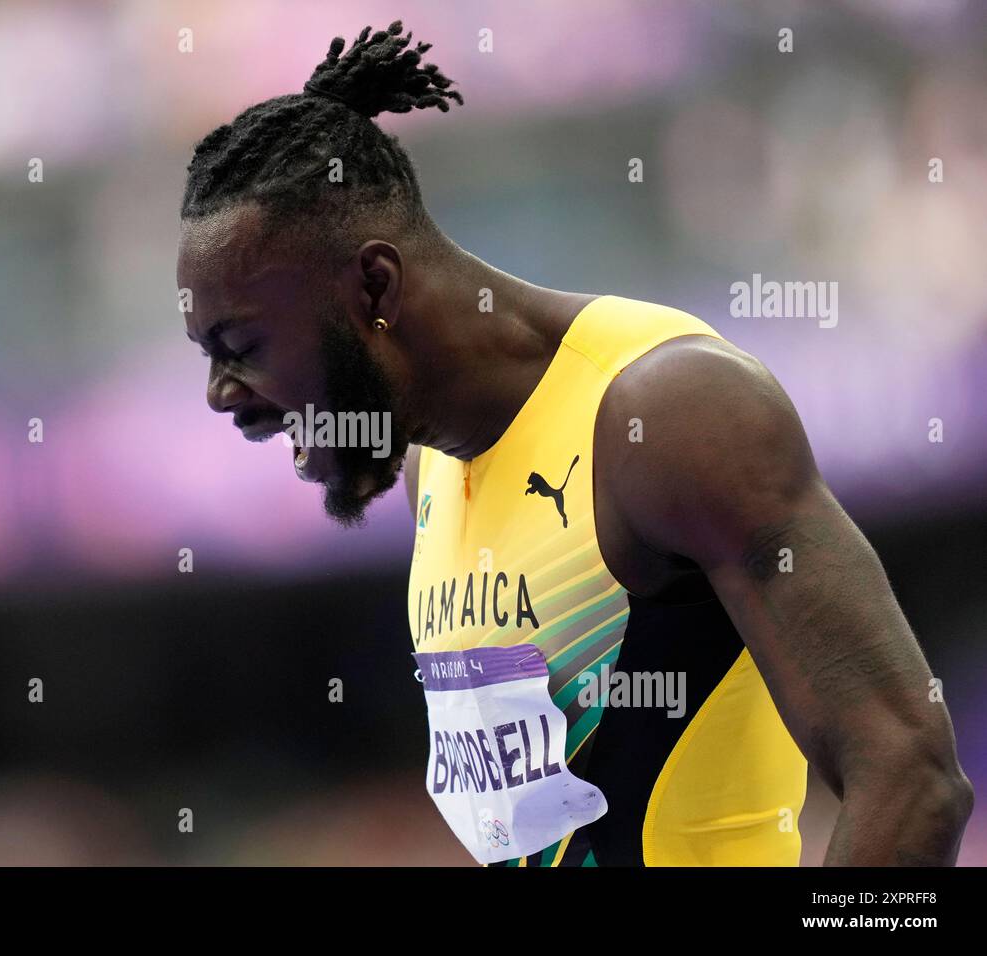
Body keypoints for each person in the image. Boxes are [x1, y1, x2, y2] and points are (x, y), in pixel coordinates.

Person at [176, 21, 973, 865]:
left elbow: (913, 781)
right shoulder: (432, 469)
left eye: (241, 347)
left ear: (373, 285)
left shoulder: (667, 415)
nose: (222, 397)